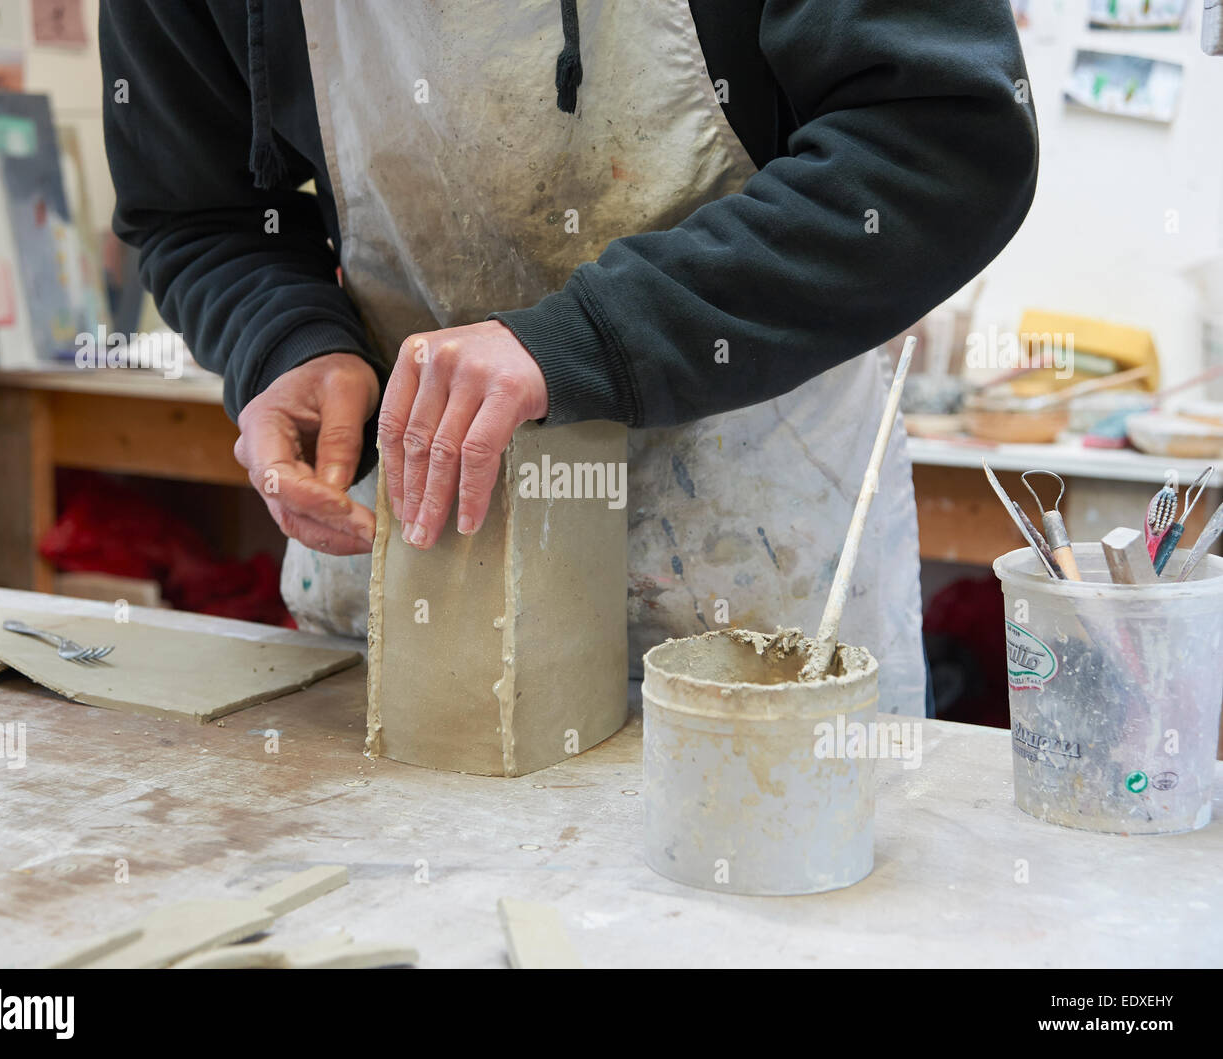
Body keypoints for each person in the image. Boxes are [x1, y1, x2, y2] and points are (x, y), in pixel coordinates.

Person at [102, 0, 1038, 716]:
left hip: (761, 589)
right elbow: (197, 210)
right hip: (421, 592)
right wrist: (285, 341)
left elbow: (940, 141)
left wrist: (583, 343)